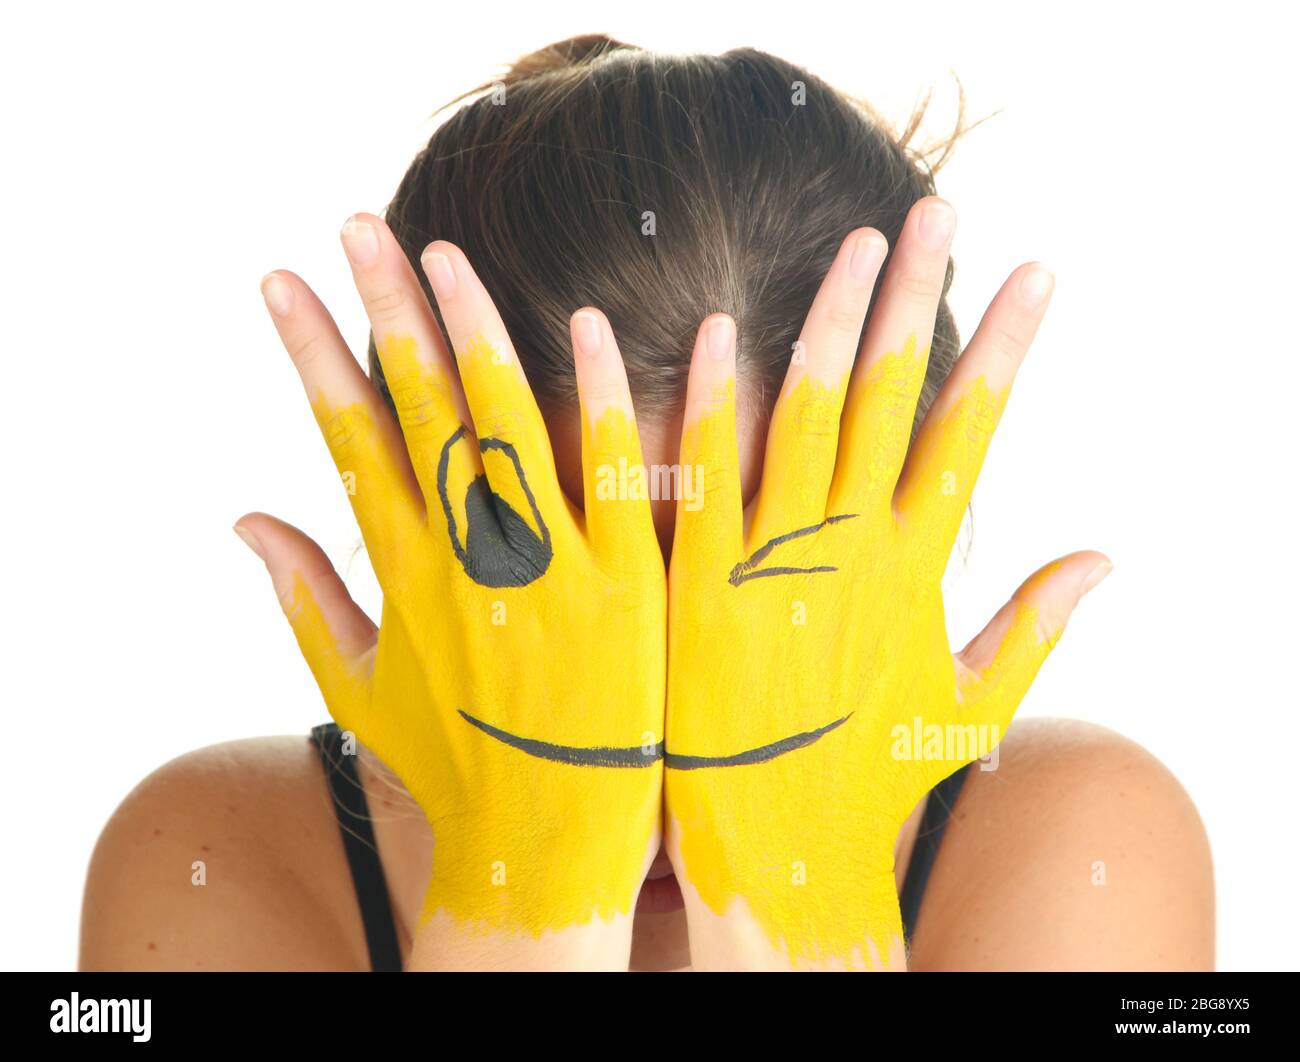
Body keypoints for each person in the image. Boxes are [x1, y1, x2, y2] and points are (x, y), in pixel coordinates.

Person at [79, 35, 1213, 971]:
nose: (660, 721)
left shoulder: (1086, 838)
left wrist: (793, 899)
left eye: (754, 589)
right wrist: (526, 885)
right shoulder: (210, 852)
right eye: (577, 586)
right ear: (406, 532)